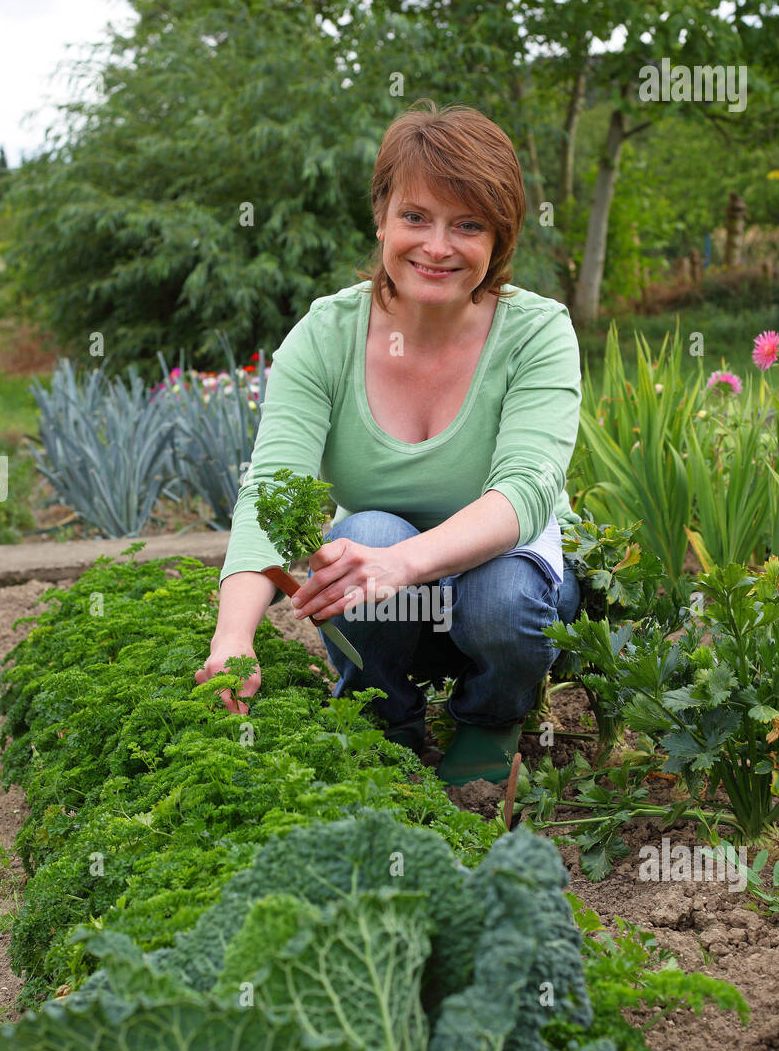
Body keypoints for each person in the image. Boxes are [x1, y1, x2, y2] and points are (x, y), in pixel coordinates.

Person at [196, 101, 582, 786]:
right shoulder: (326, 334)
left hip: (507, 596)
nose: (437, 246)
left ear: (500, 237)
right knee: (364, 531)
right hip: (388, 600)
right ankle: (386, 718)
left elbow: (525, 493)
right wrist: (235, 637)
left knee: (502, 595)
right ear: (381, 217)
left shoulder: (537, 332)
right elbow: (272, 487)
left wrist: (402, 563)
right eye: (415, 218)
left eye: (466, 225)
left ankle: (491, 718)